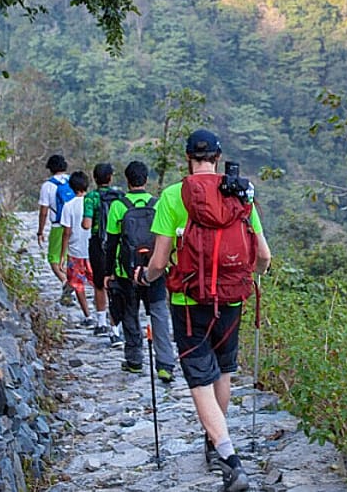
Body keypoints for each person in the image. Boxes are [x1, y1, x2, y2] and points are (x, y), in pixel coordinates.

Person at [136, 129, 270, 492]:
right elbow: (264, 257)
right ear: (218, 156)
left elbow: (160, 261)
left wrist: (145, 277)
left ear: (187, 158)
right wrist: (246, 274)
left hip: (188, 301)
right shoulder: (240, 192)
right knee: (223, 369)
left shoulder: (171, 195)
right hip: (231, 298)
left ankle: (228, 455)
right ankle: (214, 442)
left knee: (199, 375)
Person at [102, 160, 177, 381]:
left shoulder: (119, 206)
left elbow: (111, 244)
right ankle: (165, 365)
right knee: (159, 315)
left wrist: (109, 272)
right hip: (154, 269)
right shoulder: (158, 204)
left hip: (127, 273)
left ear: (127, 180)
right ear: (146, 180)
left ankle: (134, 361)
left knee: (130, 316)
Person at [82, 163, 123, 343]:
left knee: (99, 283)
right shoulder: (119, 196)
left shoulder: (91, 197)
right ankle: (116, 328)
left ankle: (101, 322)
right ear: (110, 178)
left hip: (98, 244)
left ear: (95, 178)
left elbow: (87, 224)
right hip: (118, 243)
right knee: (115, 285)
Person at [36, 154, 73, 304]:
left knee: (54, 259)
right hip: (75, 226)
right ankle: (72, 282)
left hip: (58, 226)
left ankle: (65, 282)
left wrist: (40, 231)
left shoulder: (48, 186)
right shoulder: (73, 180)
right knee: (70, 257)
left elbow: (44, 211)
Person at [60, 170, 95, 326]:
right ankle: (103, 313)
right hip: (93, 250)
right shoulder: (94, 202)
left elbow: (67, 232)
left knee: (78, 284)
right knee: (99, 284)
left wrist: (63, 254)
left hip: (76, 251)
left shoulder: (68, 206)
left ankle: (88, 315)